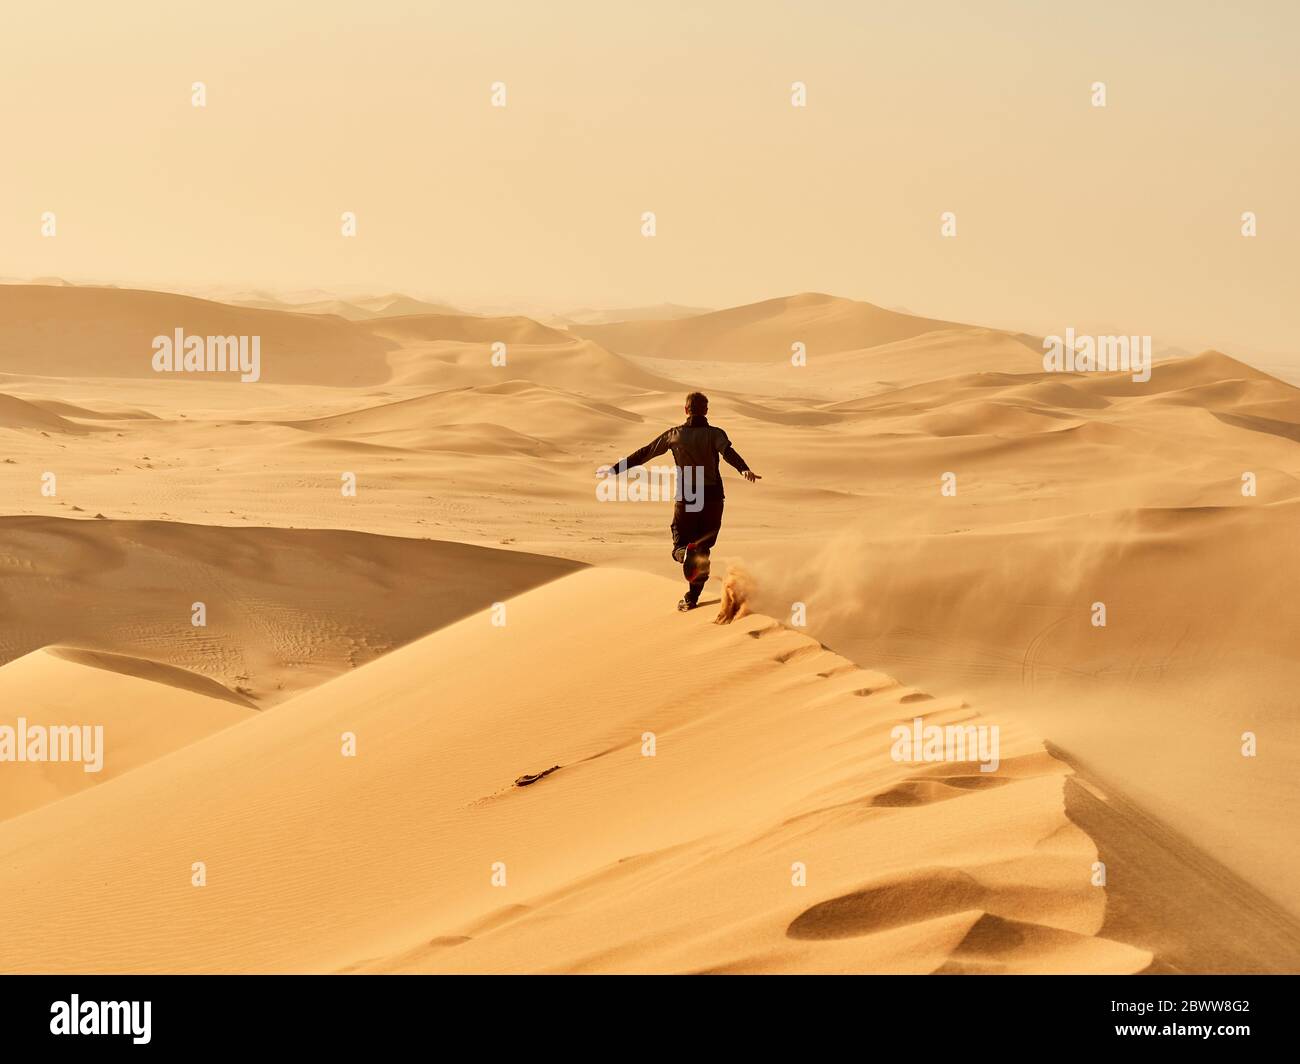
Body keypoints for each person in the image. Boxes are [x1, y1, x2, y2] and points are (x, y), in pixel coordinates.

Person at [598, 392, 760, 611]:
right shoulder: (715, 434)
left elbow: (645, 453)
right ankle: (691, 597)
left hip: (688, 497)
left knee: (681, 545)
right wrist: (743, 468)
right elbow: (727, 452)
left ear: (686, 410)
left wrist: (616, 468)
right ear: (706, 410)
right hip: (713, 497)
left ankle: (685, 554)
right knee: (702, 551)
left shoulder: (675, 435)